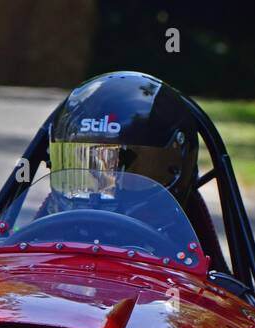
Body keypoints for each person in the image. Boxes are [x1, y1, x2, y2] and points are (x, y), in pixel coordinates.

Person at [46, 71, 228, 271]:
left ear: (174, 169)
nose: (103, 182)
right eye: (87, 161)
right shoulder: (34, 241)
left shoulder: (192, 264)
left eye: (128, 165)